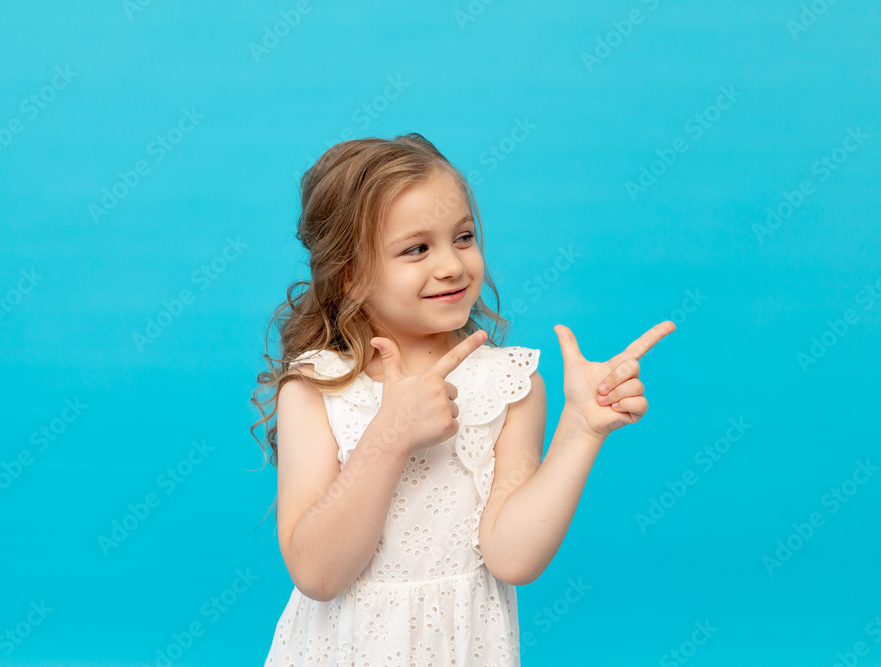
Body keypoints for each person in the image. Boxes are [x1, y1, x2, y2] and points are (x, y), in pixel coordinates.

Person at [250, 132, 674, 665]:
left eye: (464, 237)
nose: (452, 264)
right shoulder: (318, 387)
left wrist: (581, 430)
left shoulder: (510, 385)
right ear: (351, 276)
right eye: (417, 248)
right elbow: (317, 574)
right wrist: (390, 435)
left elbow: (512, 558)